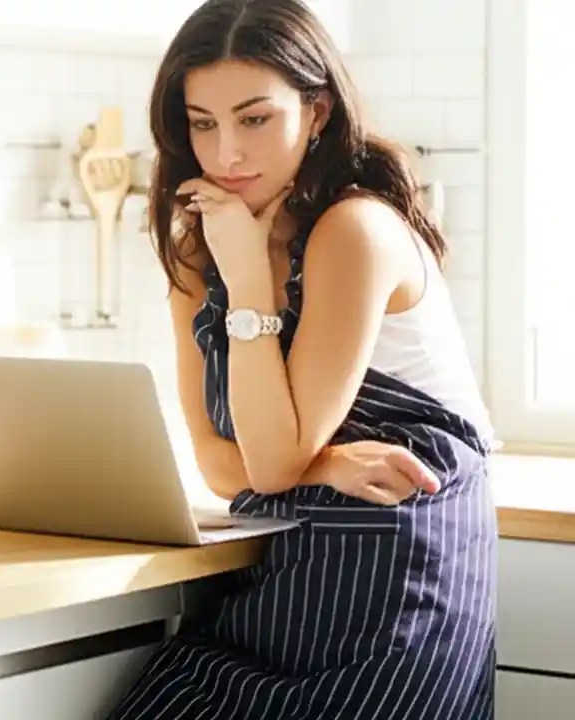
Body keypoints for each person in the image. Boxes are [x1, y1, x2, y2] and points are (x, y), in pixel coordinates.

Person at [105, 1, 497, 718]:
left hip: (397, 599)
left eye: (255, 119)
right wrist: (326, 464)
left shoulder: (357, 230)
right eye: (203, 123)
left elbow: (271, 466)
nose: (227, 154)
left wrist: (251, 279)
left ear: (316, 113)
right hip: (282, 589)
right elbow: (220, 461)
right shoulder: (201, 250)